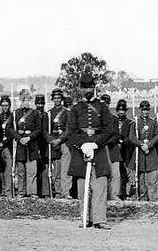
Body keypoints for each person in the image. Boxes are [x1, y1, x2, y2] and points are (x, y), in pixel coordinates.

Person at [64, 73, 117, 229]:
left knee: (100, 185)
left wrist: (94, 144)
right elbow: (71, 133)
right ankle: (85, 218)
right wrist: (83, 145)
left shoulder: (102, 107)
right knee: (83, 188)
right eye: (84, 87)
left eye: (90, 87)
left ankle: (100, 219)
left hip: (99, 150)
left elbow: (109, 131)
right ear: (80, 89)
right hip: (81, 152)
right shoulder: (75, 109)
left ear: (94, 88)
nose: (87, 89)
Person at [13, 92, 43, 197]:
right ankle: (21, 191)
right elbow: (10, 129)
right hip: (20, 145)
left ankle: (32, 192)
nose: (25, 102)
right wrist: (19, 138)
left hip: (32, 145)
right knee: (21, 171)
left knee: (32, 171)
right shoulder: (15, 113)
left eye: (27, 100)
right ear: (20, 101)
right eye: (23, 100)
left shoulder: (35, 114)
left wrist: (29, 137)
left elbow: (39, 129)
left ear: (30, 101)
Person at [133, 100, 158, 202]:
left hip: (151, 153)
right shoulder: (136, 122)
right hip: (140, 153)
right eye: (143, 109)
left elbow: (156, 135)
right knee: (140, 179)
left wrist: (149, 145)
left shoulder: (153, 122)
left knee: (152, 178)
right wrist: (141, 144)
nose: (145, 112)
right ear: (140, 110)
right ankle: (142, 197)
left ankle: (153, 198)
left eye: (147, 110)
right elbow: (132, 136)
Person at [47, 88, 70, 198]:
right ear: (52, 99)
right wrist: (52, 140)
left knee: (65, 170)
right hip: (53, 143)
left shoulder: (66, 112)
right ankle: (58, 192)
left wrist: (60, 140)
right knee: (56, 171)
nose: (57, 100)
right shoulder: (49, 113)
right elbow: (45, 130)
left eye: (59, 98)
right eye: (55, 98)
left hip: (63, 142)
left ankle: (66, 192)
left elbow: (69, 129)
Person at [109, 99, 133, 200]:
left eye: (123, 110)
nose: (121, 112)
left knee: (126, 172)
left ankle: (125, 192)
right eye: (119, 110)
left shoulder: (129, 122)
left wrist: (123, 142)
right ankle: (115, 192)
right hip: (114, 149)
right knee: (116, 173)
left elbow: (130, 136)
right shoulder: (113, 121)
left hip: (125, 150)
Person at [0, 95, 16, 197]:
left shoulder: (13, 117)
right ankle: (1, 189)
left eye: (7, 105)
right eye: (3, 105)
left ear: (9, 105)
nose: (5, 107)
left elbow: (13, 133)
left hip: (9, 146)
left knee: (8, 169)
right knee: (0, 169)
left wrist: (4, 142)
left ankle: (8, 190)